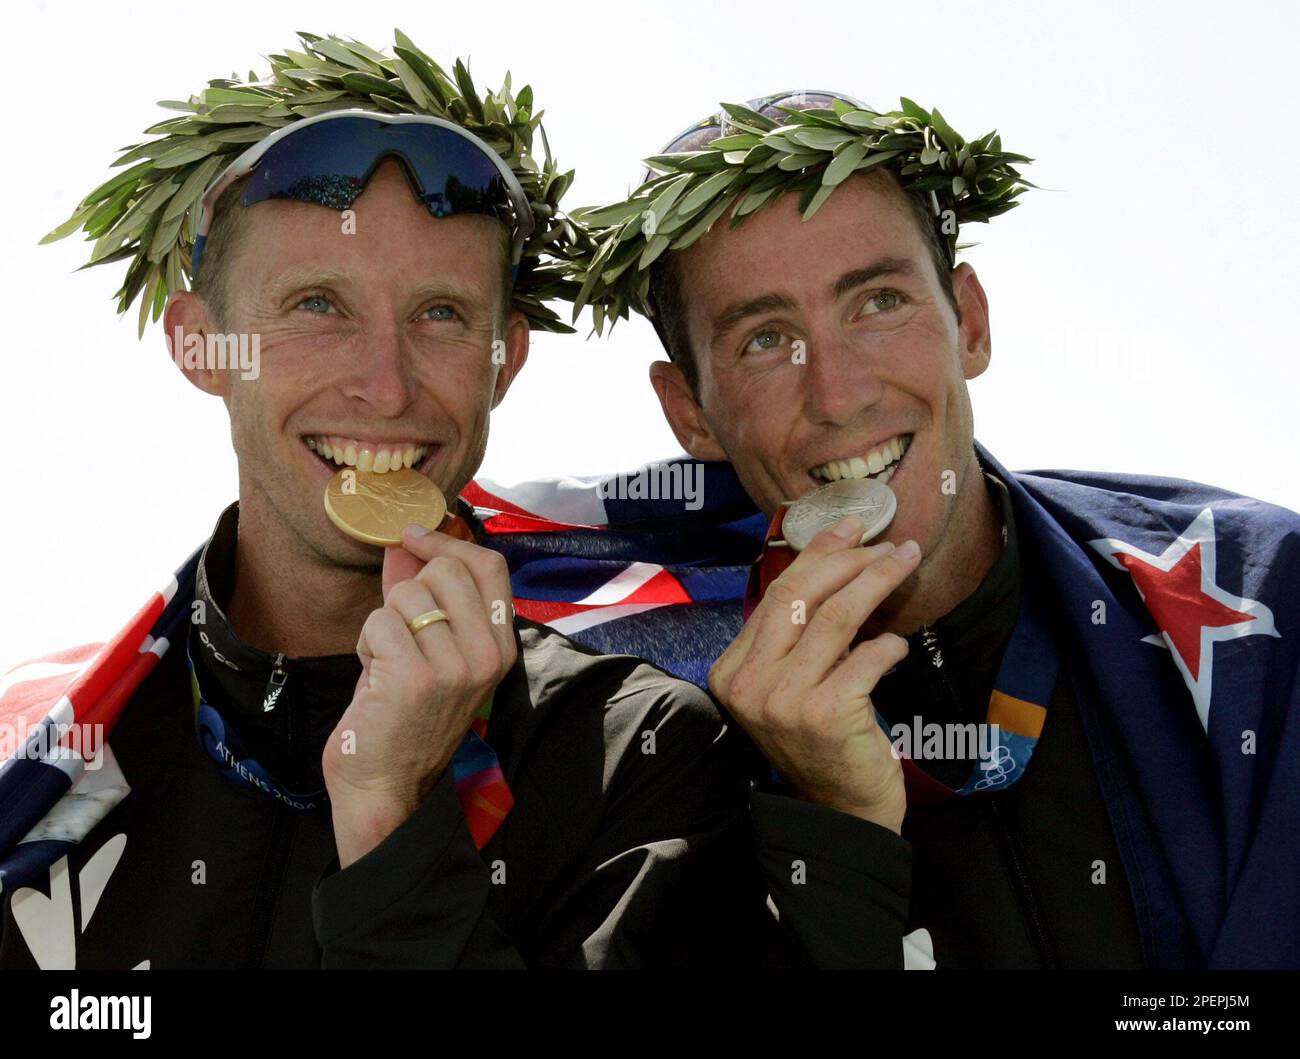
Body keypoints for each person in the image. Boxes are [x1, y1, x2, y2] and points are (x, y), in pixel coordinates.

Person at [0, 33, 767, 970]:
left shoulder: (639, 756)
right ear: (200, 345)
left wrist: (392, 818)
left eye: (440, 314)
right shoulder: (36, 766)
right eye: (318, 304)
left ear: (506, 359)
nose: (386, 384)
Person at [484, 90, 1300, 969]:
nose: (839, 393)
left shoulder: (1254, 601)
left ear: (970, 321)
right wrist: (827, 835)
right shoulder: (640, 733)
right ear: (691, 415)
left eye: (876, 302)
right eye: (764, 338)